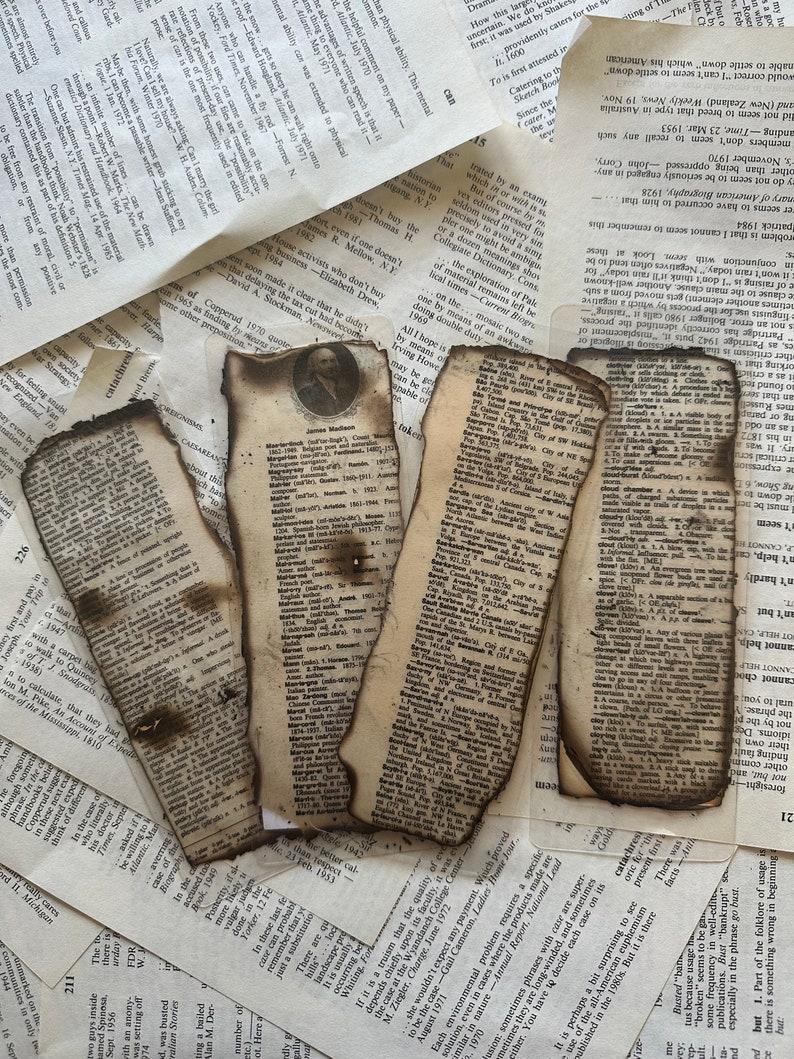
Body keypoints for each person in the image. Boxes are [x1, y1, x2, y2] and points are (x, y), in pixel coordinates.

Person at [296, 345, 356, 416]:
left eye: (332, 361)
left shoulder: (346, 393)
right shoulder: (305, 394)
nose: (330, 366)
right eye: (323, 362)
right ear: (314, 366)